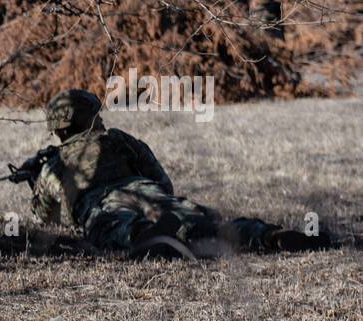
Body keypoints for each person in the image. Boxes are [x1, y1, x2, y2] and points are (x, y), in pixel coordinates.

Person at [24, 89, 327, 258]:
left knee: (109, 228)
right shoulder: (118, 139)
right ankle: (266, 235)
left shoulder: (55, 163)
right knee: (202, 219)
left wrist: (33, 182)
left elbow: (46, 215)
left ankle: (143, 235)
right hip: (144, 188)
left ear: (59, 128)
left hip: (101, 203)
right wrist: (157, 199)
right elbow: (162, 181)